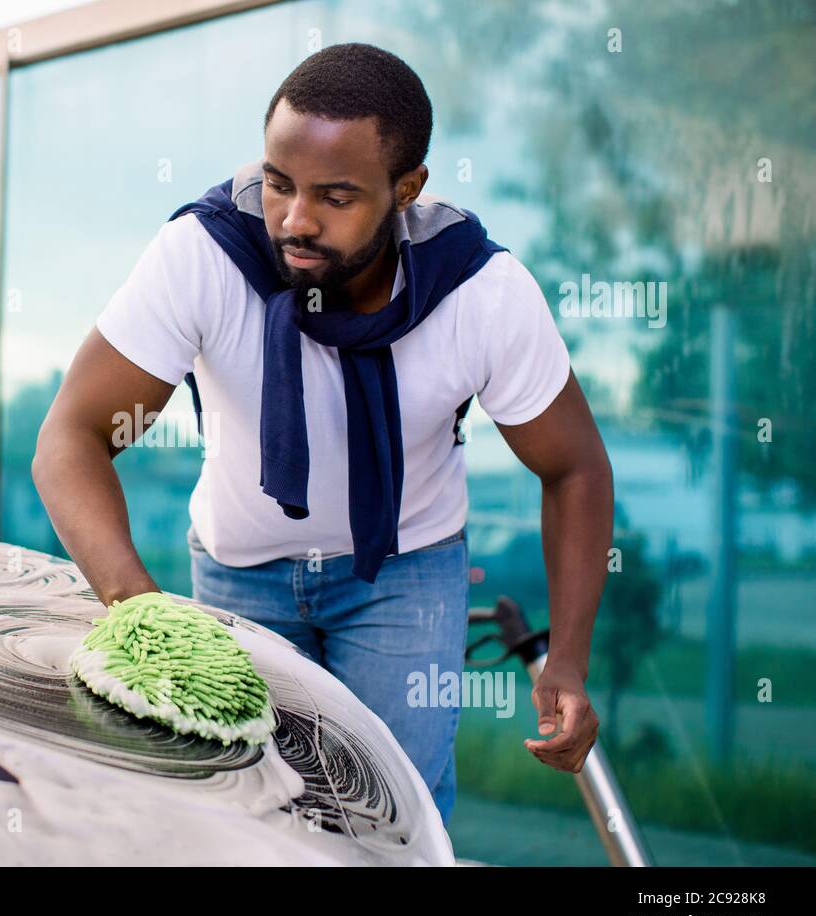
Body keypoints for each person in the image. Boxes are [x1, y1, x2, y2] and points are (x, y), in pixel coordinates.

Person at [32, 42, 611, 825]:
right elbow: (71, 436)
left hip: (406, 574)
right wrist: (138, 607)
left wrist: (567, 660)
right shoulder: (205, 254)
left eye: (335, 197)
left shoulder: (480, 292)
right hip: (240, 570)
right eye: (279, 183)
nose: (295, 220)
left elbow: (574, 469)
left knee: (393, 819)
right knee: (243, 814)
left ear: (406, 190)